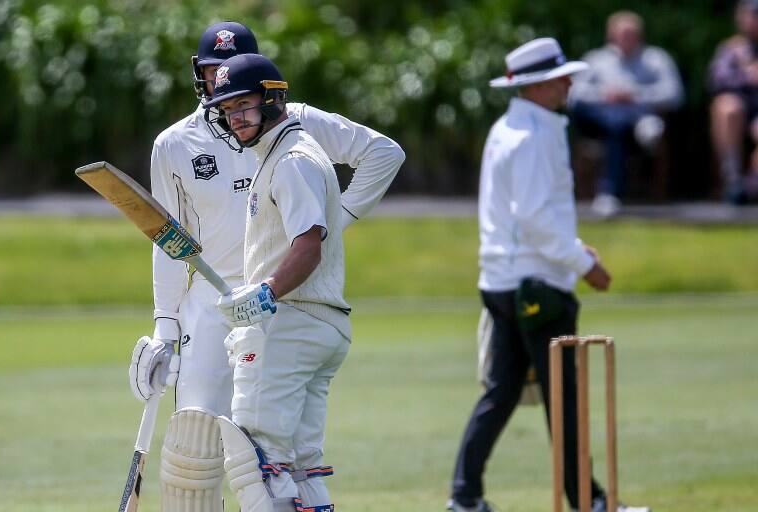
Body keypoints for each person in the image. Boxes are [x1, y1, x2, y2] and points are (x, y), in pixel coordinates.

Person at [127, 22, 404, 511]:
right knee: (197, 440)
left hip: (282, 298)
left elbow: (383, 154)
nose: (223, 85)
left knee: (265, 453)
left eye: (233, 77)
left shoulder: (292, 125)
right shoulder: (175, 144)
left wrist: (329, 223)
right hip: (215, 302)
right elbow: (169, 242)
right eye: (213, 74)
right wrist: (165, 328)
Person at [446, 38, 648, 512]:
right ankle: (589, 502)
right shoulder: (533, 136)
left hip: (505, 278)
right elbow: (535, 218)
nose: (569, 84)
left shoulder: (512, 126)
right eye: (560, 78)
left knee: (503, 392)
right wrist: (584, 264)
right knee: (565, 397)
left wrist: (573, 248)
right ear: (535, 86)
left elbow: (532, 217)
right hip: (534, 283)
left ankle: (465, 496)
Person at [202, 52, 349, 512]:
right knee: (301, 466)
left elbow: (308, 246)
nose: (236, 119)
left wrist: (264, 295)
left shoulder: (291, 160)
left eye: (243, 105)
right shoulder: (289, 153)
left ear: (273, 98)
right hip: (318, 324)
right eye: (226, 110)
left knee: (256, 458)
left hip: (290, 324)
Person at [568, 10, 684, 217]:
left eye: (632, 34)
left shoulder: (656, 59)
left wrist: (636, 95)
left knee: (620, 128)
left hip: (634, 121)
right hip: (599, 122)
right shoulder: (595, 60)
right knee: (613, 124)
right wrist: (605, 95)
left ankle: (609, 192)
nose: (628, 39)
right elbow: (574, 94)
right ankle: (610, 191)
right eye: (623, 34)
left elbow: (674, 94)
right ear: (611, 35)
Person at [709, 0, 758, 204]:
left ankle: (751, 185)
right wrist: (747, 76)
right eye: (751, 15)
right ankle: (733, 179)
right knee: (727, 108)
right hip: (742, 106)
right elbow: (717, 80)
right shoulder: (731, 48)